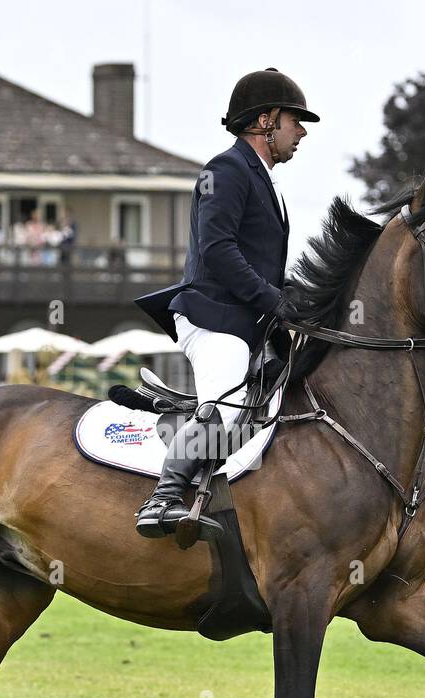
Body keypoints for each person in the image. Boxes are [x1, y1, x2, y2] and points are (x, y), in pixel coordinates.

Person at [132, 68, 317, 542]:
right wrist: (275, 302)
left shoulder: (264, 180)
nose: (302, 131)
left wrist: (298, 301)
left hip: (245, 321)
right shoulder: (225, 170)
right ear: (265, 120)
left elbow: (260, 264)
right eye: (295, 120)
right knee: (228, 411)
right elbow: (217, 250)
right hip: (214, 316)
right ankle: (163, 498)